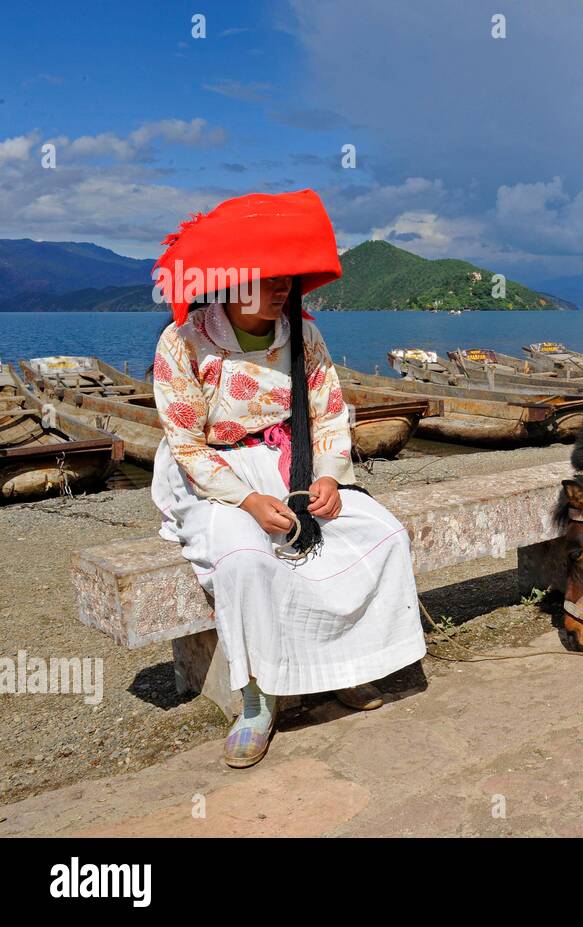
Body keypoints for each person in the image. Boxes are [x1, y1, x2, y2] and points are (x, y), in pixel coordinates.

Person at [150, 190, 426, 769]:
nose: (283, 289)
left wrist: (328, 476)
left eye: (288, 279)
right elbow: (187, 444)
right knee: (248, 560)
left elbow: (328, 414)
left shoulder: (303, 333)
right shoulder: (183, 342)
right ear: (233, 280)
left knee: (380, 537)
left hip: (293, 463)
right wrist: (247, 500)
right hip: (218, 476)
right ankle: (257, 697)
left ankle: (343, 667)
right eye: (271, 279)